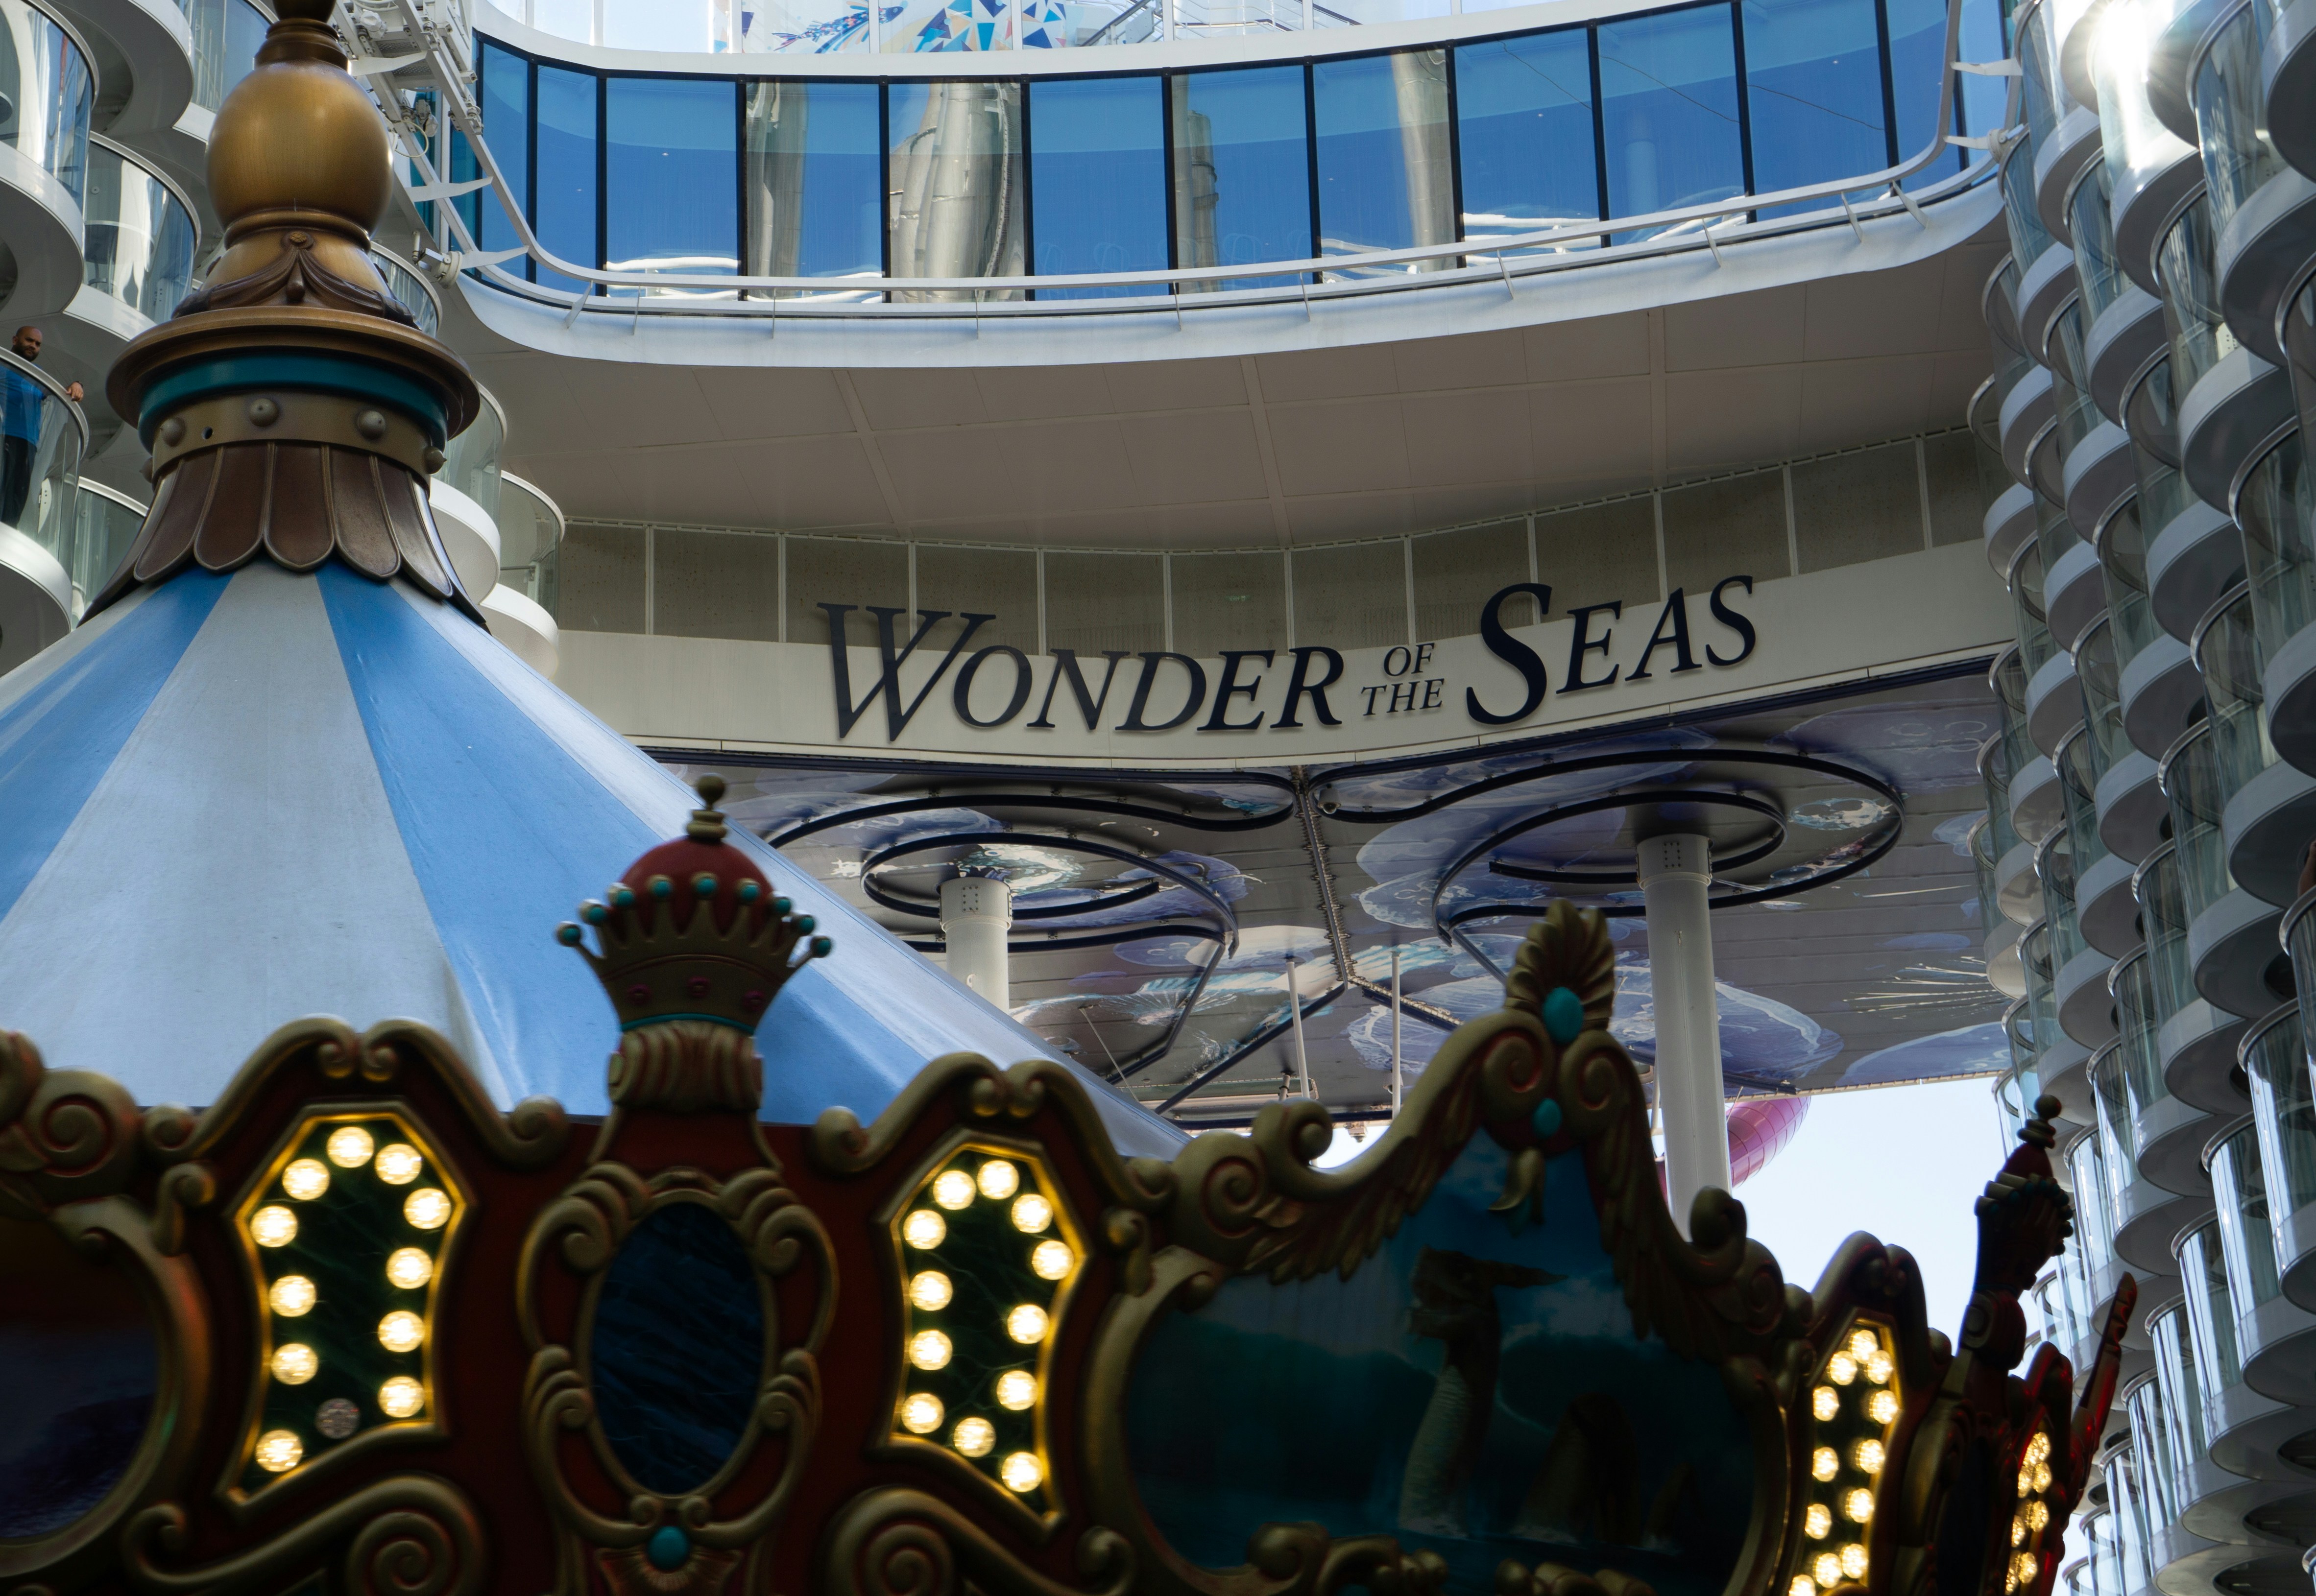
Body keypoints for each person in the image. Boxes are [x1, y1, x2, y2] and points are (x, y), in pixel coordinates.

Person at [2, 327, 82, 526]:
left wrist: (77, 384)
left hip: (29, 444)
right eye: (29, 340)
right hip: (4, 436)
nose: (33, 346)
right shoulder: (3, 364)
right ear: (15, 340)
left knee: (17, 498)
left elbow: (61, 393)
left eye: (38, 344)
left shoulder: (38, 375)